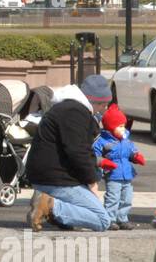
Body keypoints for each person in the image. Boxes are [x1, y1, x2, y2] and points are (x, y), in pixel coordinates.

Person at [25, 74, 113, 232]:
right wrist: (92, 181)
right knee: (102, 219)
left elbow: (78, 150)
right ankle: (50, 206)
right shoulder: (75, 113)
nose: (104, 109)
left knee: (88, 208)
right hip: (54, 179)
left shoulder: (66, 108)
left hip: (45, 175)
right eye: (103, 104)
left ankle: (52, 210)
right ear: (93, 101)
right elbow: (78, 152)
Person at [92, 104, 145, 231]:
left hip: (127, 174)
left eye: (123, 126)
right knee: (113, 197)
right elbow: (94, 155)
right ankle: (110, 219)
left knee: (126, 197)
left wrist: (136, 156)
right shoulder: (102, 141)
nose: (123, 128)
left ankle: (123, 218)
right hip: (113, 175)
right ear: (111, 127)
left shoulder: (126, 139)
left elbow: (131, 150)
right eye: (120, 126)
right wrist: (103, 162)